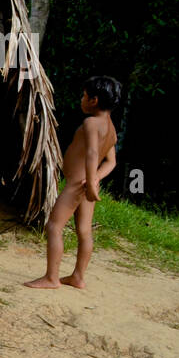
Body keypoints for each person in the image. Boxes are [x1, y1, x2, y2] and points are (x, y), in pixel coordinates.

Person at [24, 76, 121, 290]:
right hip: (86, 184)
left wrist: (90, 184)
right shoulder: (111, 128)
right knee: (84, 231)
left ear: (94, 100)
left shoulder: (90, 123)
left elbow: (93, 153)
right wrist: (95, 179)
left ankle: (51, 278)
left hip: (77, 185)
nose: (82, 99)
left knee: (53, 226)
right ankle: (77, 277)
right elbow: (111, 161)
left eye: (84, 96)